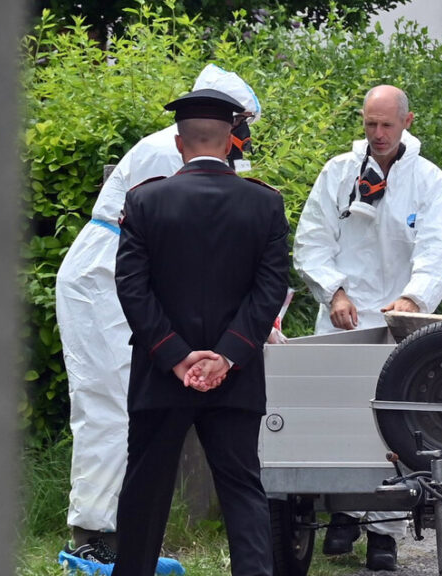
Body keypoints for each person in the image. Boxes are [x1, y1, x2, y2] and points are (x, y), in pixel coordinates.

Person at [55, 64, 261, 572]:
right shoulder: (163, 151)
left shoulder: (184, 148)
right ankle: (96, 533)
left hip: (121, 274)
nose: (246, 139)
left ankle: (123, 537)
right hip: (102, 279)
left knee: (124, 410)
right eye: (244, 125)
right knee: (106, 406)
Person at [112, 89, 289, 576]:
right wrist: (227, 355)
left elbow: (131, 287)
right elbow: (270, 290)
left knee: (145, 492)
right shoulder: (265, 204)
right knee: (242, 490)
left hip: (159, 374)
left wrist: (175, 356)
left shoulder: (144, 200)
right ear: (233, 141)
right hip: (238, 375)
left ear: (178, 143)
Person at [293, 84, 442, 571]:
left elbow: (437, 252)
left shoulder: (427, 179)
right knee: (339, 416)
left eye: (387, 124)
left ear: (407, 122)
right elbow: (312, 242)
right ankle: (343, 513)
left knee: (396, 423)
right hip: (342, 317)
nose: (378, 134)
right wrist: (334, 290)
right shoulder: (338, 172)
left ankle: (384, 532)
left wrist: (413, 299)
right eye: (370, 124)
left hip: (396, 321)